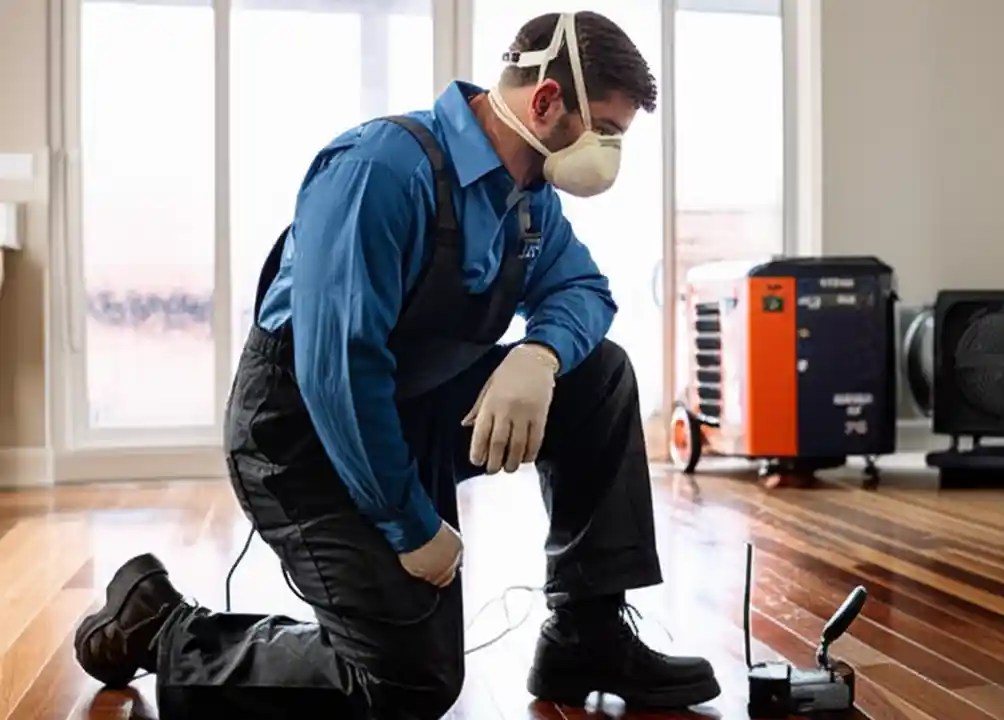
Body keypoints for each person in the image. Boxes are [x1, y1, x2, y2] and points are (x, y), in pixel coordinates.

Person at [72, 11, 721, 718]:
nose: (608, 153)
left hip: (415, 410)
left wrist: (538, 353)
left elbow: (584, 290)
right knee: (408, 682)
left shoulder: (528, 199)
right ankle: (161, 624)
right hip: (306, 439)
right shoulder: (382, 169)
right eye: (605, 130)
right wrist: (410, 525)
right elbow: (339, 376)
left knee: (597, 376)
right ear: (545, 101)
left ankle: (585, 633)